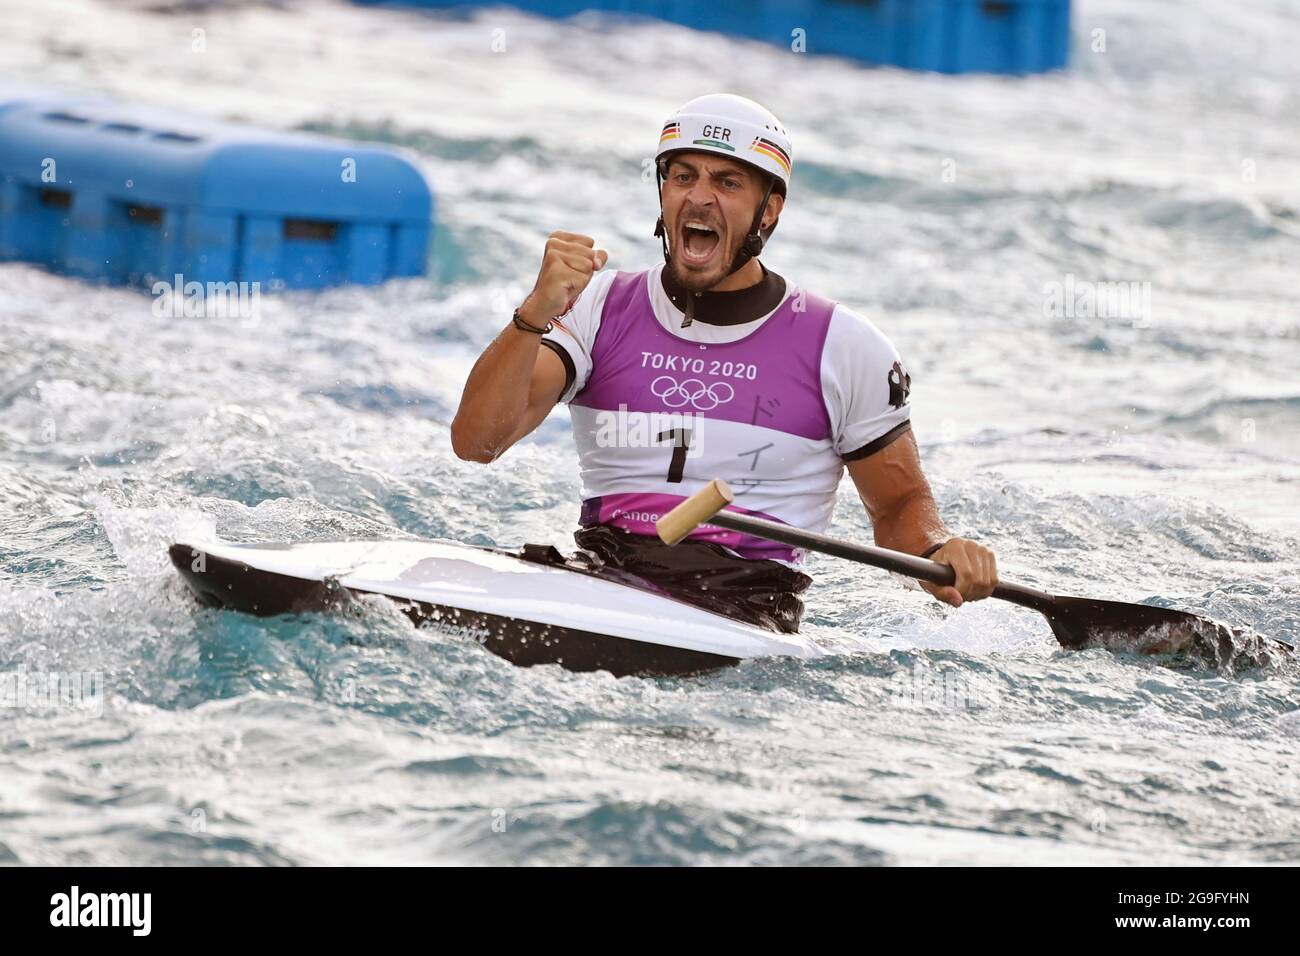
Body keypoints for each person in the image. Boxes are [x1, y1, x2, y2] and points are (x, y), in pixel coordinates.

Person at [451, 93, 997, 633]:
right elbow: (477, 443)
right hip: (602, 576)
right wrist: (533, 315)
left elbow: (898, 505)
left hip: (746, 610)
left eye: (727, 183)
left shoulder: (844, 345)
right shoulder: (596, 306)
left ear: (771, 209)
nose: (699, 198)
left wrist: (937, 548)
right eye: (683, 176)